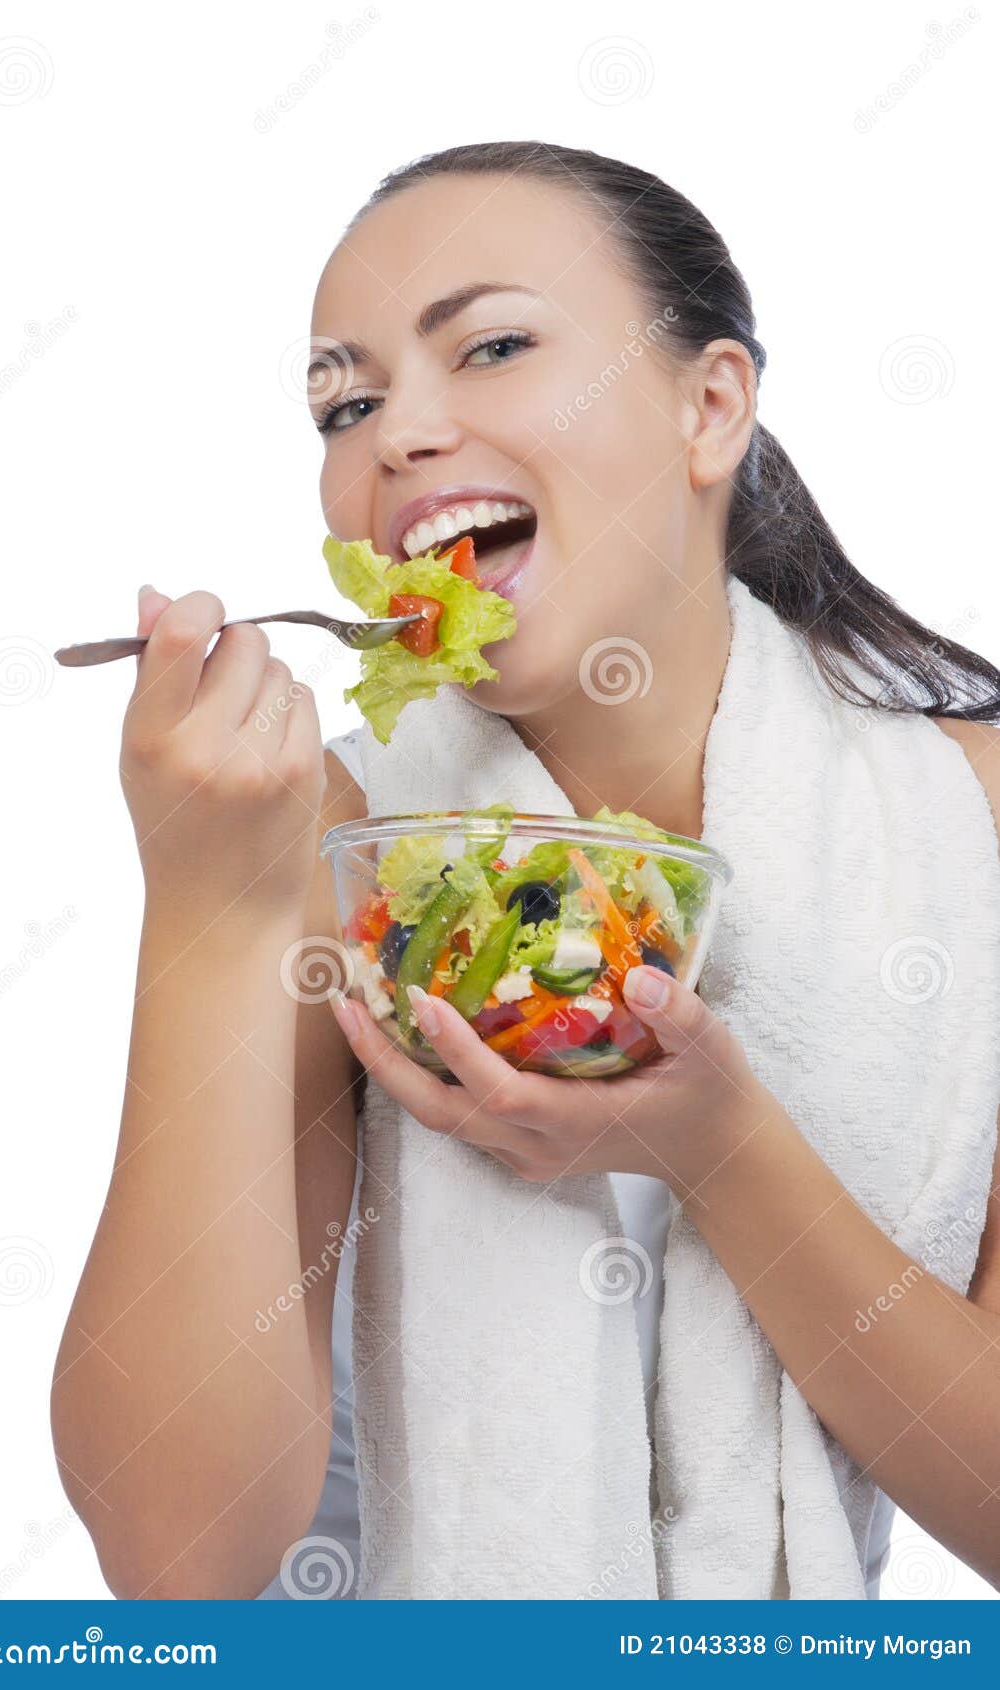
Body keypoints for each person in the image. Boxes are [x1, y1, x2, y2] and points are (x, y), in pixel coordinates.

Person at [51, 142, 1000, 1601]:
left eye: (490, 345)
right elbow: (178, 1557)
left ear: (709, 404)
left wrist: (714, 1148)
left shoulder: (971, 823)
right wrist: (208, 911)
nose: (396, 435)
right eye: (345, 403)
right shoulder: (328, 840)